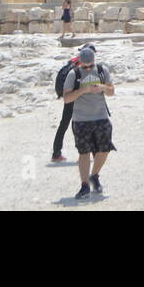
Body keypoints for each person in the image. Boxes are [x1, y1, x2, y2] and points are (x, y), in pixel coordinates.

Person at [60, 46, 116, 199]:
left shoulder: (101, 70)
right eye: (85, 66)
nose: (88, 68)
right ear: (79, 63)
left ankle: (95, 175)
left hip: (101, 116)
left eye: (91, 65)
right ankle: (84, 185)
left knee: (105, 149)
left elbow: (112, 92)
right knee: (83, 153)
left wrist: (103, 87)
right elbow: (67, 98)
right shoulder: (74, 74)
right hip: (81, 119)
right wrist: (83, 91)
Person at [51, 45, 93, 162]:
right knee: (77, 125)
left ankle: (56, 153)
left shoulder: (73, 61)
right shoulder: (81, 65)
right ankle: (83, 154)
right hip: (74, 97)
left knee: (64, 124)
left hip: (68, 95)